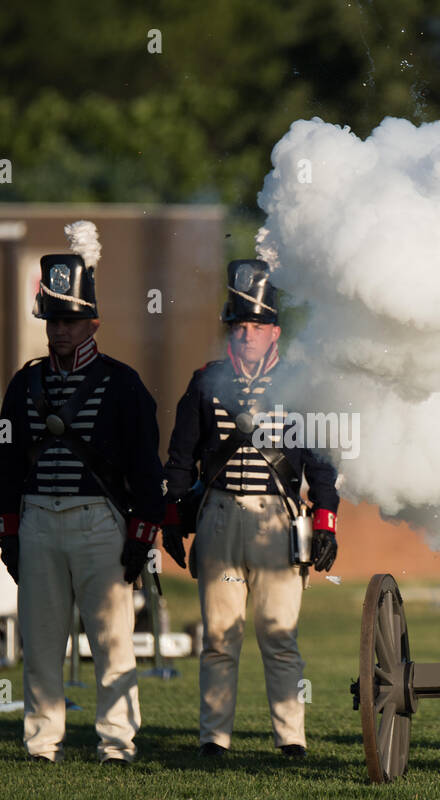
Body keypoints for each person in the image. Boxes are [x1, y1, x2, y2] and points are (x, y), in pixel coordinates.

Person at [0, 221, 165, 765]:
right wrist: (10, 534)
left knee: (112, 642)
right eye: (53, 319)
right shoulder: (24, 384)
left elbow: (145, 467)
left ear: (92, 321)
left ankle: (117, 742)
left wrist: (141, 535)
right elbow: (8, 465)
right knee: (41, 644)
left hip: (99, 523)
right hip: (39, 518)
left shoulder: (123, 383)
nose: (60, 331)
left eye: (69, 320)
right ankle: (43, 743)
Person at [162, 259, 340, 760]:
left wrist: (325, 520)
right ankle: (214, 738)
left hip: (277, 518)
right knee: (219, 637)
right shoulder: (204, 382)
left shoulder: (301, 386)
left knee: (279, 636)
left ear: (275, 331)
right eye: (239, 326)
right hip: (218, 517)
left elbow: (322, 465)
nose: (246, 335)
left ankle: (291, 739)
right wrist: (174, 516)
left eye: (256, 326)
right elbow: (180, 460)